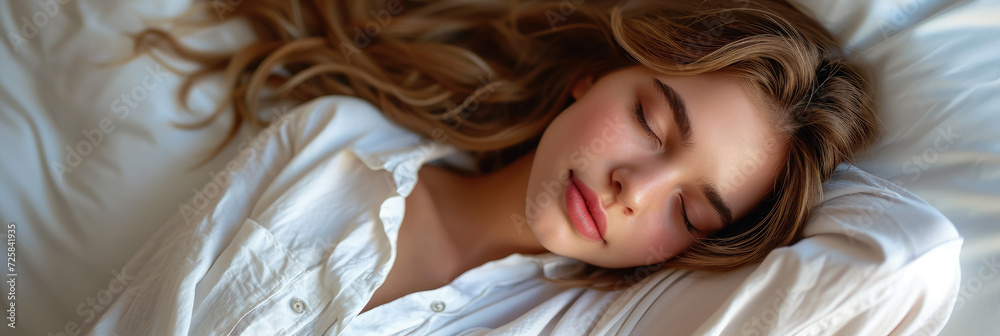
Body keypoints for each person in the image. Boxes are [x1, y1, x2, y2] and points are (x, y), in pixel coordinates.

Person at [85, 0, 881, 334]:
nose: (635, 190)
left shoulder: (582, 325)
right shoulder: (334, 144)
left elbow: (901, 264)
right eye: (648, 120)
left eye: (694, 213)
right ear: (594, 74)